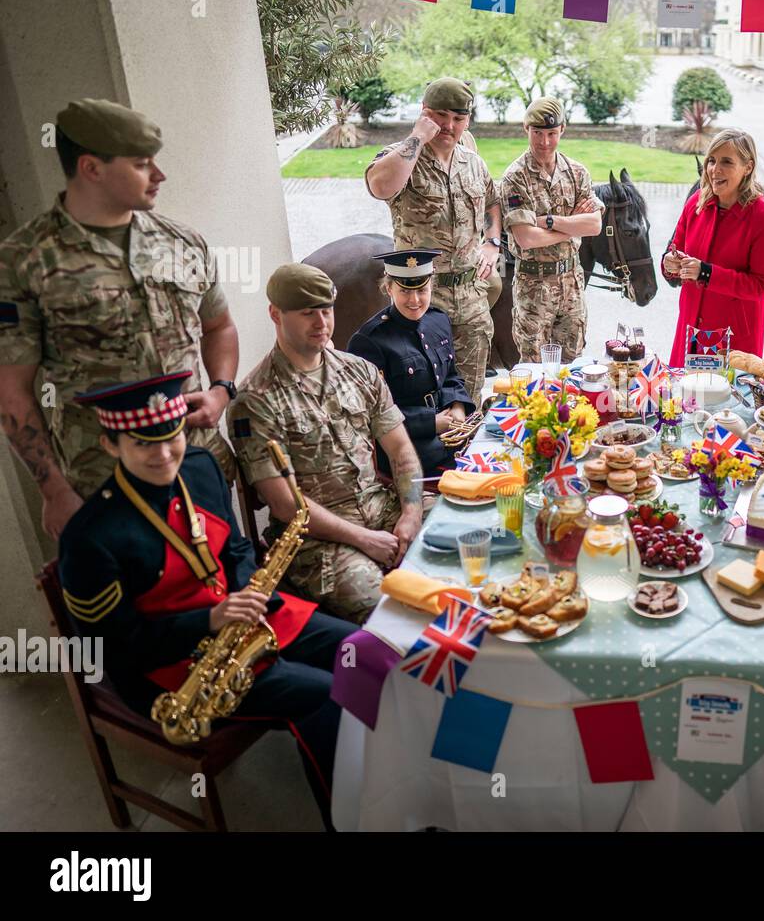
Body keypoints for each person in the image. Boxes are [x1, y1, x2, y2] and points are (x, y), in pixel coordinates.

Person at [57, 372, 352, 829]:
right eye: (143, 444)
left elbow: (234, 549)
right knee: (324, 696)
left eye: (170, 436)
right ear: (111, 445)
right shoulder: (89, 536)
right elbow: (112, 650)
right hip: (169, 666)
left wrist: (247, 590)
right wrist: (208, 620)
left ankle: (390, 778)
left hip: (238, 615)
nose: (163, 454)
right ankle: (350, 820)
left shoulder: (199, 466)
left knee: (361, 650)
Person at [0, 98, 239, 539]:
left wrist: (221, 391)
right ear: (91, 168)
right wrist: (53, 491)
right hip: (102, 478)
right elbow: (11, 389)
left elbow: (219, 326)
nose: (159, 175)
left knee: (233, 586)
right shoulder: (24, 260)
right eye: (142, 164)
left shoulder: (182, 241)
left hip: (197, 461)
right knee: (139, 603)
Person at [228, 263, 425, 624]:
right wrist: (366, 539)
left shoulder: (359, 371)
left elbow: (400, 451)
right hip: (319, 543)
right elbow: (286, 504)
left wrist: (411, 515)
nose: (321, 323)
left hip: (384, 510)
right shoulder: (255, 401)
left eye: (326, 310)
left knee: (469, 536)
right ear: (275, 313)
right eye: (307, 313)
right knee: (390, 613)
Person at [365, 77, 502, 402]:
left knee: (468, 400)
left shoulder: (474, 163)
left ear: (467, 120)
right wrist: (417, 137)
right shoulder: (402, 156)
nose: (449, 126)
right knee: (420, 400)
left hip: (470, 302)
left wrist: (492, 242)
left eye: (458, 118)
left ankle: (463, 452)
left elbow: (493, 204)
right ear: (425, 114)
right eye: (441, 116)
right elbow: (380, 187)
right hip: (420, 303)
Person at [346, 249, 475, 477]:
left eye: (422, 290)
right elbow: (371, 414)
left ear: (431, 287)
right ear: (389, 289)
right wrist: (430, 423)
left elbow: (451, 376)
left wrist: (458, 406)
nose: (414, 300)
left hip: (453, 435)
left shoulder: (438, 320)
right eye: (405, 291)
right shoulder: (369, 341)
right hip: (410, 449)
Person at [662, 128, 764, 368]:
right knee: (684, 400)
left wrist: (705, 272)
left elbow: (762, 286)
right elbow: (676, 252)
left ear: (748, 167)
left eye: (727, 162)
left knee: (726, 403)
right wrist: (669, 264)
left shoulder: (763, 216)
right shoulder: (696, 203)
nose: (715, 169)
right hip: (690, 328)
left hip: (734, 337)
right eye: (711, 161)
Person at [500, 97, 604, 362]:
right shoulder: (515, 177)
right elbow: (526, 238)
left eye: (551, 133)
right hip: (533, 287)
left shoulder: (577, 173)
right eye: (537, 133)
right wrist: (573, 225)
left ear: (562, 130)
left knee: (571, 365)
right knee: (534, 368)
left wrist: (549, 221)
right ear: (526, 129)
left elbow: (594, 224)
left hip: (572, 282)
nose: (544, 142)